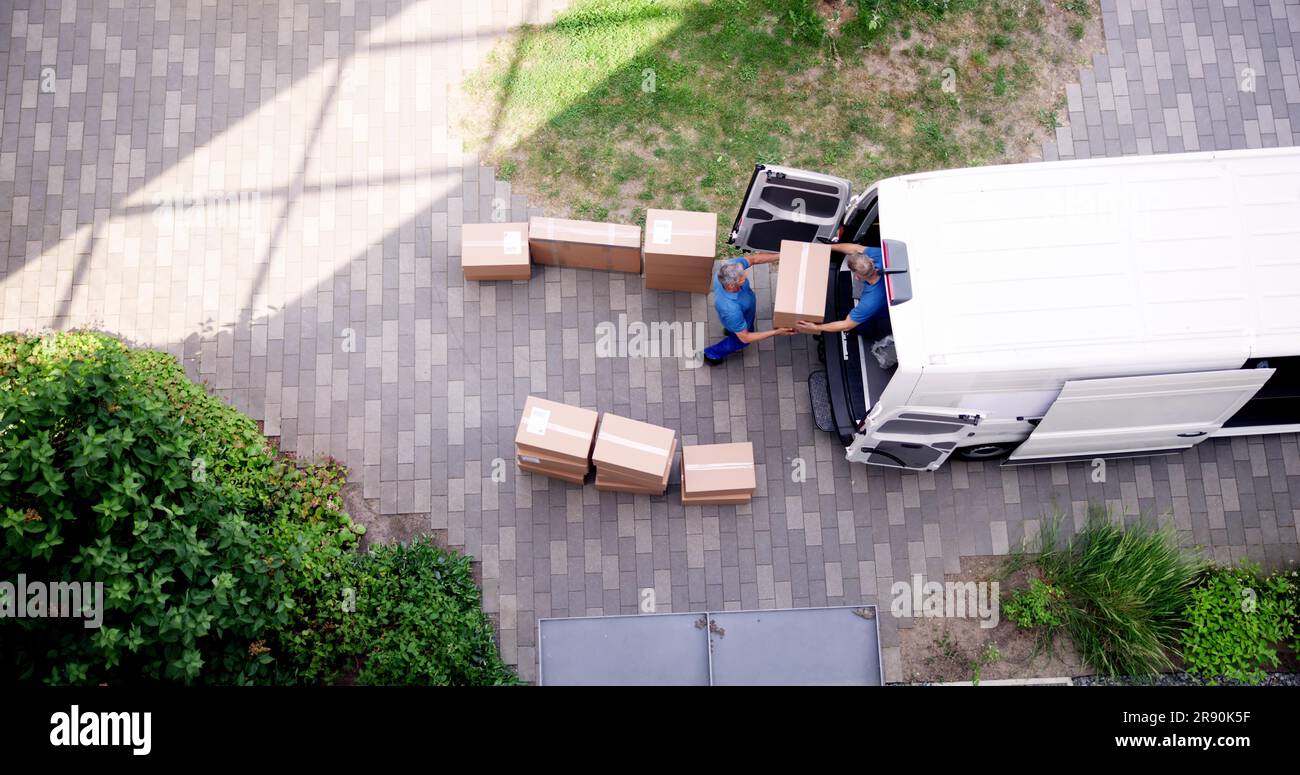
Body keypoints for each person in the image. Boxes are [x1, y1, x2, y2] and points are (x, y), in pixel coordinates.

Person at [703, 253, 794, 365]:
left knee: (735, 328)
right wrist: (777, 332)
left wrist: (782, 255)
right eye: (742, 278)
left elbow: (754, 259)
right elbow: (745, 337)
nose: (745, 274)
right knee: (740, 342)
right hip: (738, 320)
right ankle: (711, 354)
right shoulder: (731, 309)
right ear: (731, 285)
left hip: (740, 317)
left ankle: (731, 330)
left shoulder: (731, 267)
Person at [794, 242, 890, 340]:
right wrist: (826, 247)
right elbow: (854, 248)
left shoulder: (870, 302)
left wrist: (816, 327)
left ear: (857, 276)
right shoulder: (881, 255)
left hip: (884, 312)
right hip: (891, 292)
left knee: (863, 327)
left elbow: (847, 325)